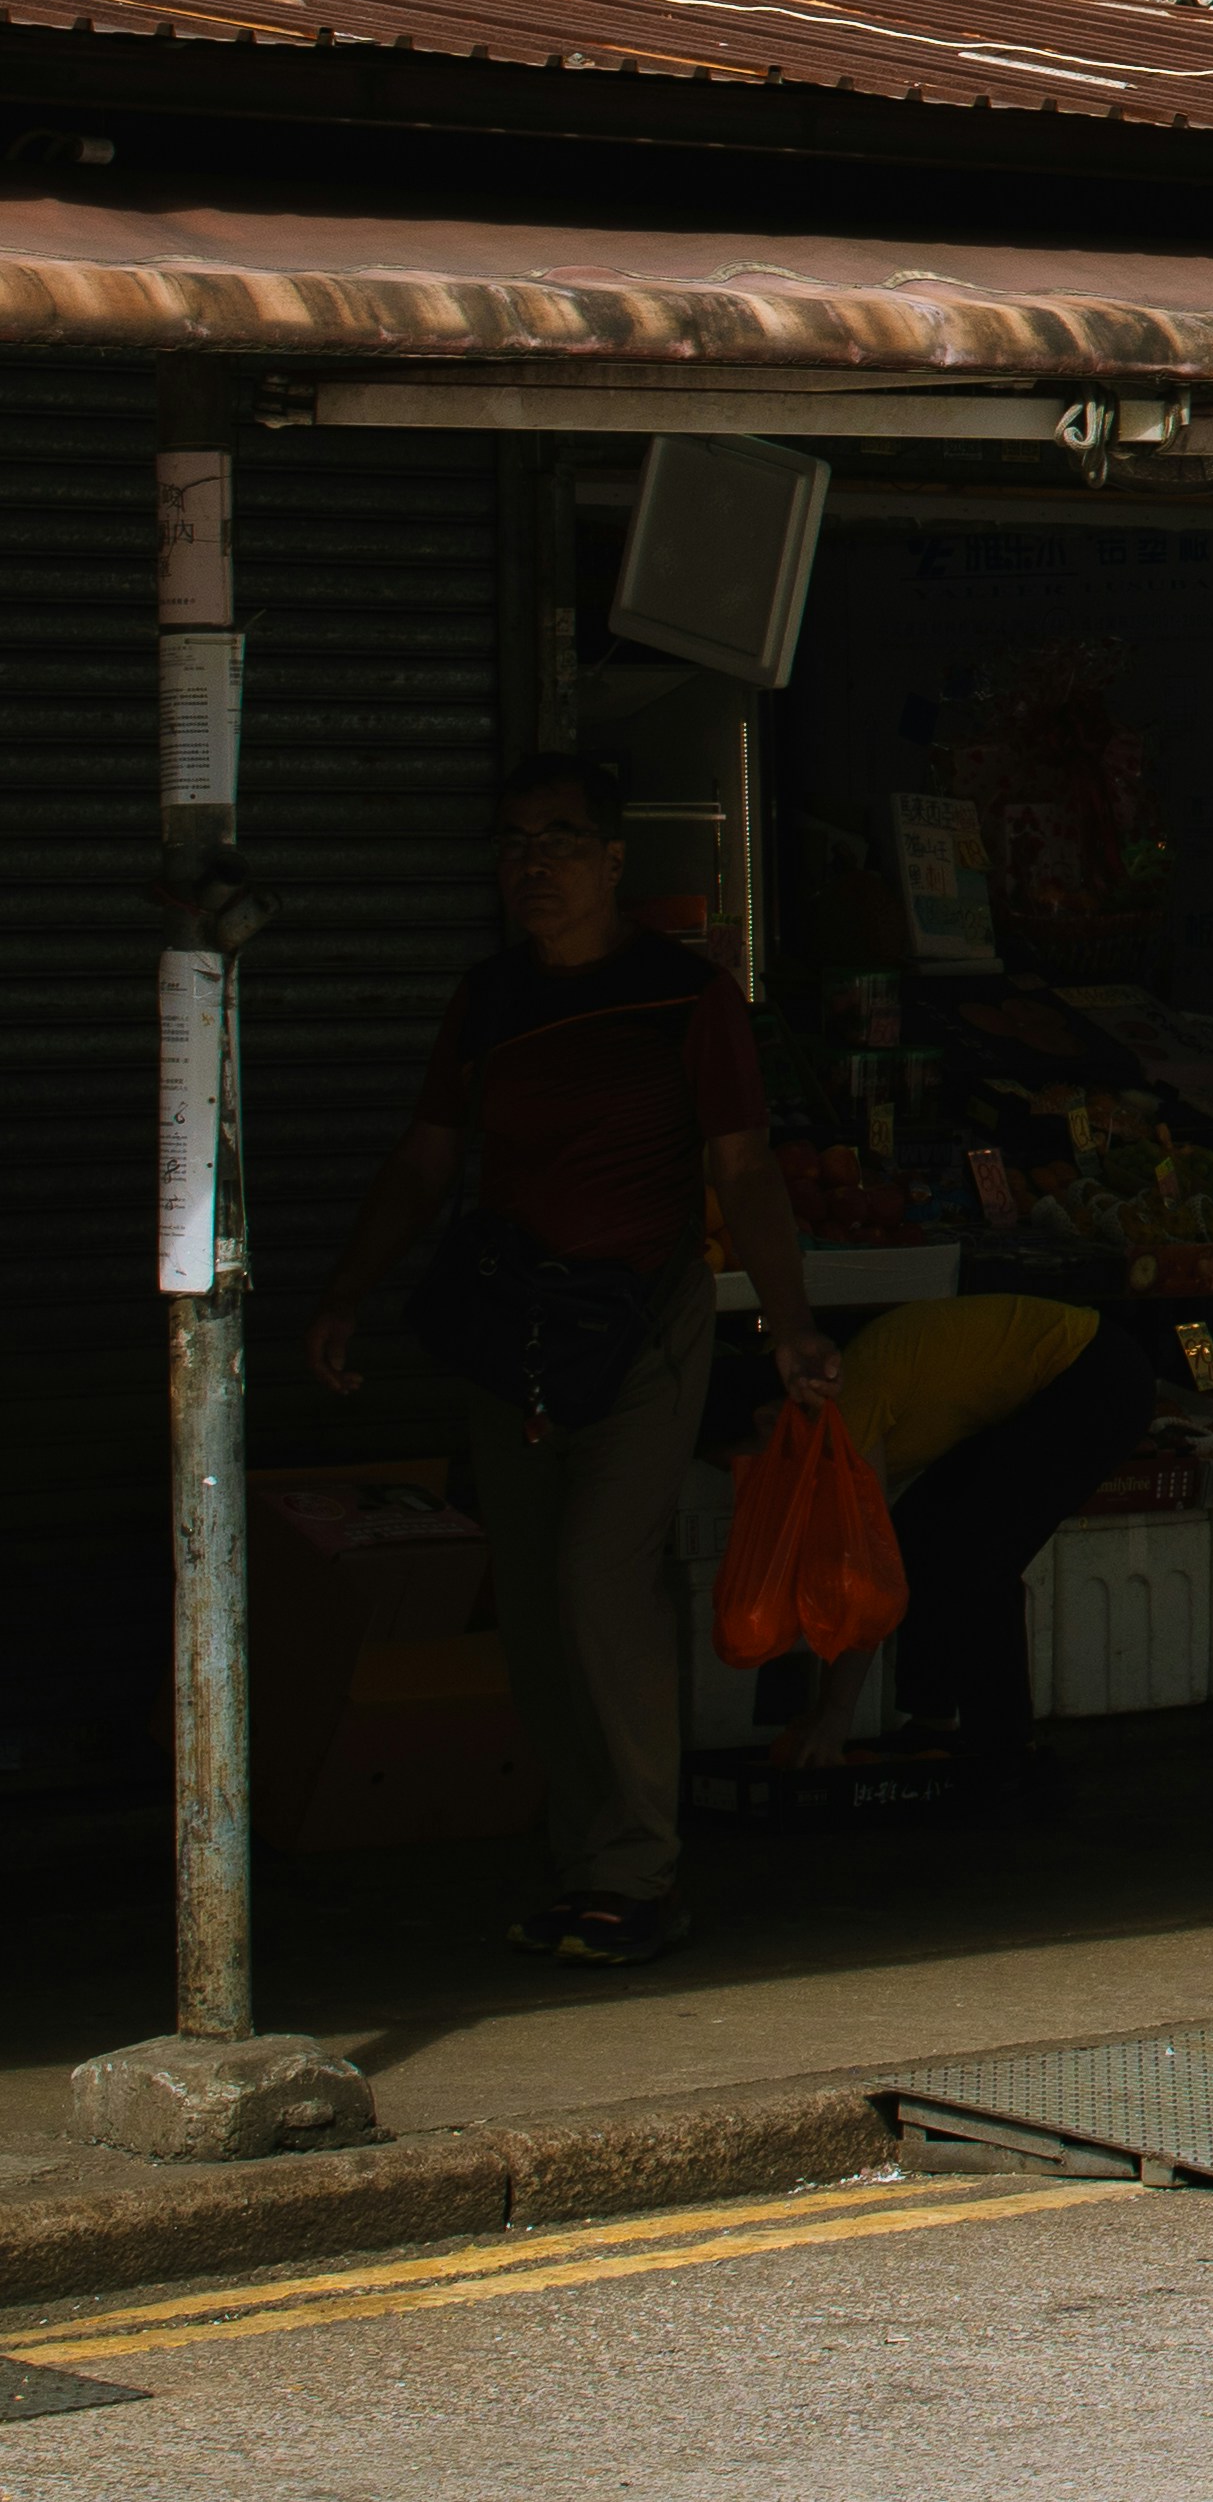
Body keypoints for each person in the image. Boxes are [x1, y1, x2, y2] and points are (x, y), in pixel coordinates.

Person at [309, 752, 836, 1967]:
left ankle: (639, 1869)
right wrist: (345, 1292)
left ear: (611, 862)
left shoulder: (680, 996)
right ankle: (582, 1859)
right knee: (543, 1600)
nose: (530, 863)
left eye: (556, 839)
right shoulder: (488, 998)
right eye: (512, 842)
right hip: (517, 1330)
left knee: (607, 1575)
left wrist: (792, 1317)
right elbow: (427, 1159)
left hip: (645, 1319)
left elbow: (742, 1166)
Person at [799, 1300, 1166, 1809]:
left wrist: (832, 1719)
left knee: (976, 1562)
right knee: (921, 1532)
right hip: (1032, 1393)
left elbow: (867, 1566)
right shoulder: (825, 1412)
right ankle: (934, 1724)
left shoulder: (846, 1406)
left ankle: (1011, 1756)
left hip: (1091, 1374)